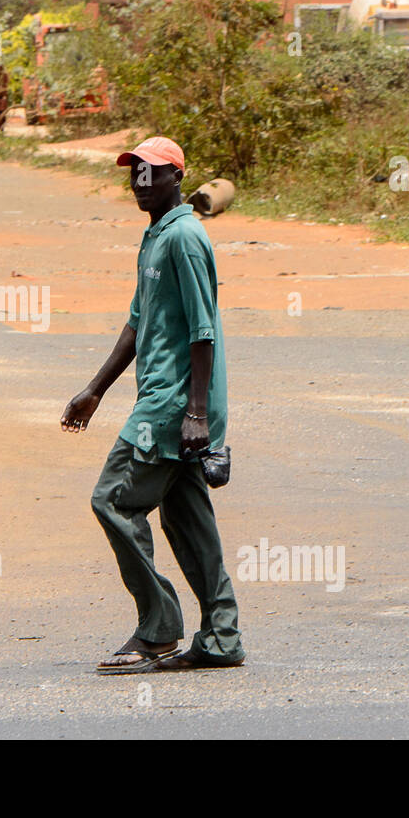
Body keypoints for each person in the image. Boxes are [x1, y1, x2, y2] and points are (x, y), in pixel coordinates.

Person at [61, 136, 245, 674]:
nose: (142, 180)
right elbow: (138, 324)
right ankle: (221, 639)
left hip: (173, 407)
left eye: (153, 171)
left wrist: (195, 414)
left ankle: (160, 629)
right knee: (189, 522)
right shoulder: (155, 236)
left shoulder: (185, 237)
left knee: (112, 500)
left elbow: (203, 329)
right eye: (135, 171)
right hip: (169, 402)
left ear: (177, 177)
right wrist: (95, 389)